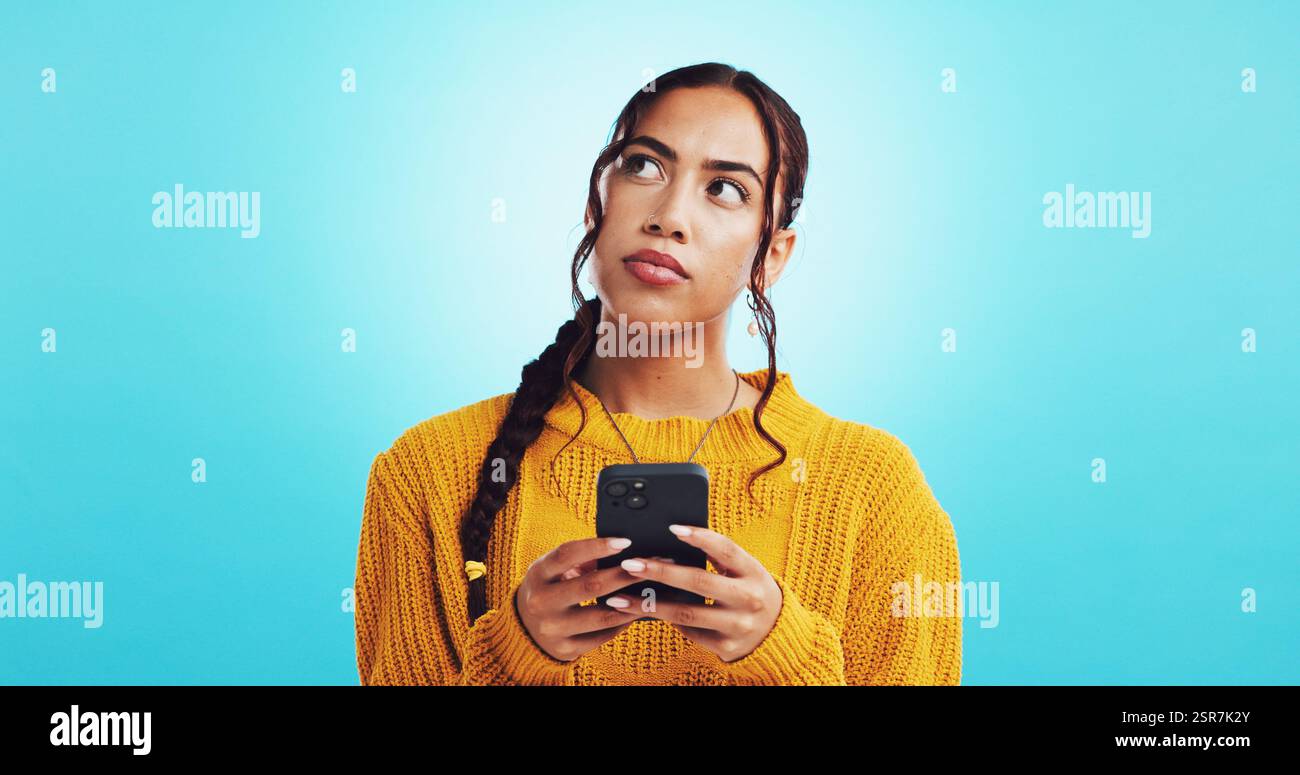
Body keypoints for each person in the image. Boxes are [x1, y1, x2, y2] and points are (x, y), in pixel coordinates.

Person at [354, 62, 961, 685]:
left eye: (726, 188)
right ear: (598, 205)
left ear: (771, 255)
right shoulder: (427, 471)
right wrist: (516, 652)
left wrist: (786, 654)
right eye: (644, 165)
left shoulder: (876, 491)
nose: (670, 216)